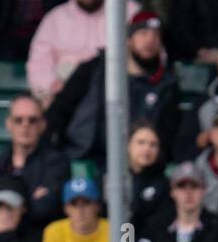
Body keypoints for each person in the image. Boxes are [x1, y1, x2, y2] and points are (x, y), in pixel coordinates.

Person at [44, 10, 180, 166]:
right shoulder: (94, 69)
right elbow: (61, 108)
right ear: (129, 39)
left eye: (156, 35)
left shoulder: (166, 83)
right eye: (143, 33)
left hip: (138, 165)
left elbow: (168, 134)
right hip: (83, 155)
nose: (150, 40)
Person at [26, 0, 140, 106]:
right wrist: (50, 88)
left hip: (119, 96)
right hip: (66, 99)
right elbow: (38, 63)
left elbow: (151, 55)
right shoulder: (55, 18)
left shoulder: (130, 11)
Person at [0, 91, 70, 240]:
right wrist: (31, 200)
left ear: (43, 125)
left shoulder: (57, 163)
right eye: (18, 120)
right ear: (8, 124)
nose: (25, 126)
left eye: (32, 120)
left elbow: (47, 210)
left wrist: (5, 209)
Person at [124, 120, 169, 228]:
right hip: (114, 240)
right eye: (141, 142)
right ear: (128, 145)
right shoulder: (113, 178)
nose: (147, 149)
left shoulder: (163, 184)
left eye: (153, 144)